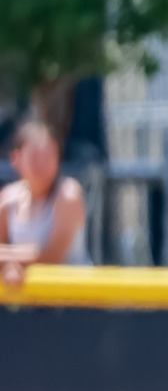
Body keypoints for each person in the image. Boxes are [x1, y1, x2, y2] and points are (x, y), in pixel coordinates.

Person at [0, 121, 90, 286]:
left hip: (74, 304)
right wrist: (10, 266)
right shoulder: (7, 199)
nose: (43, 164)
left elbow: (52, 258)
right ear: (16, 158)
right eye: (35, 156)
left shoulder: (68, 194)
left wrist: (10, 262)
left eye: (49, 155)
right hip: (28, 305)